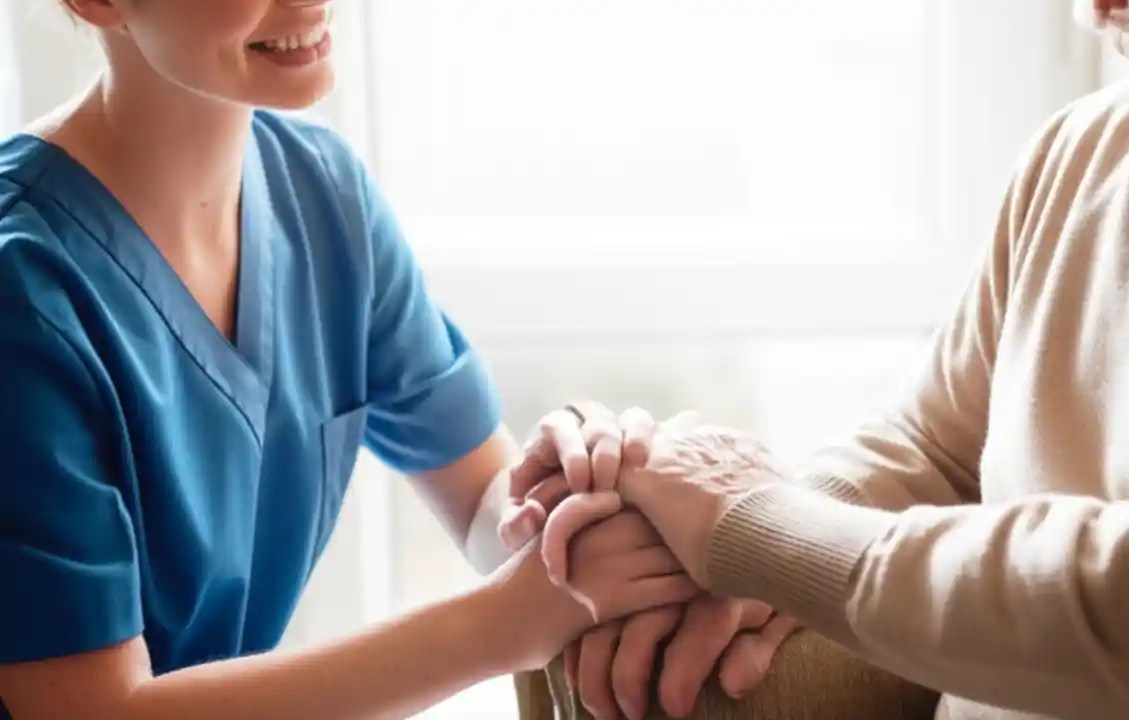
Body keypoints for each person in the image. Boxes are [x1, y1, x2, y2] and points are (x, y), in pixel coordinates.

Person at [0, 1, 792, 717]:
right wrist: (501, 625)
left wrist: (582, 498)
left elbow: (490, 502)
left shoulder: (325, 195)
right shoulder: (23, 290)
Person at [512, 0, 1129, 718]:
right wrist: (706, 551)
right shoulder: (1081, 151)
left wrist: (748, 527)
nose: (1095, 5)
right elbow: (936, 449)